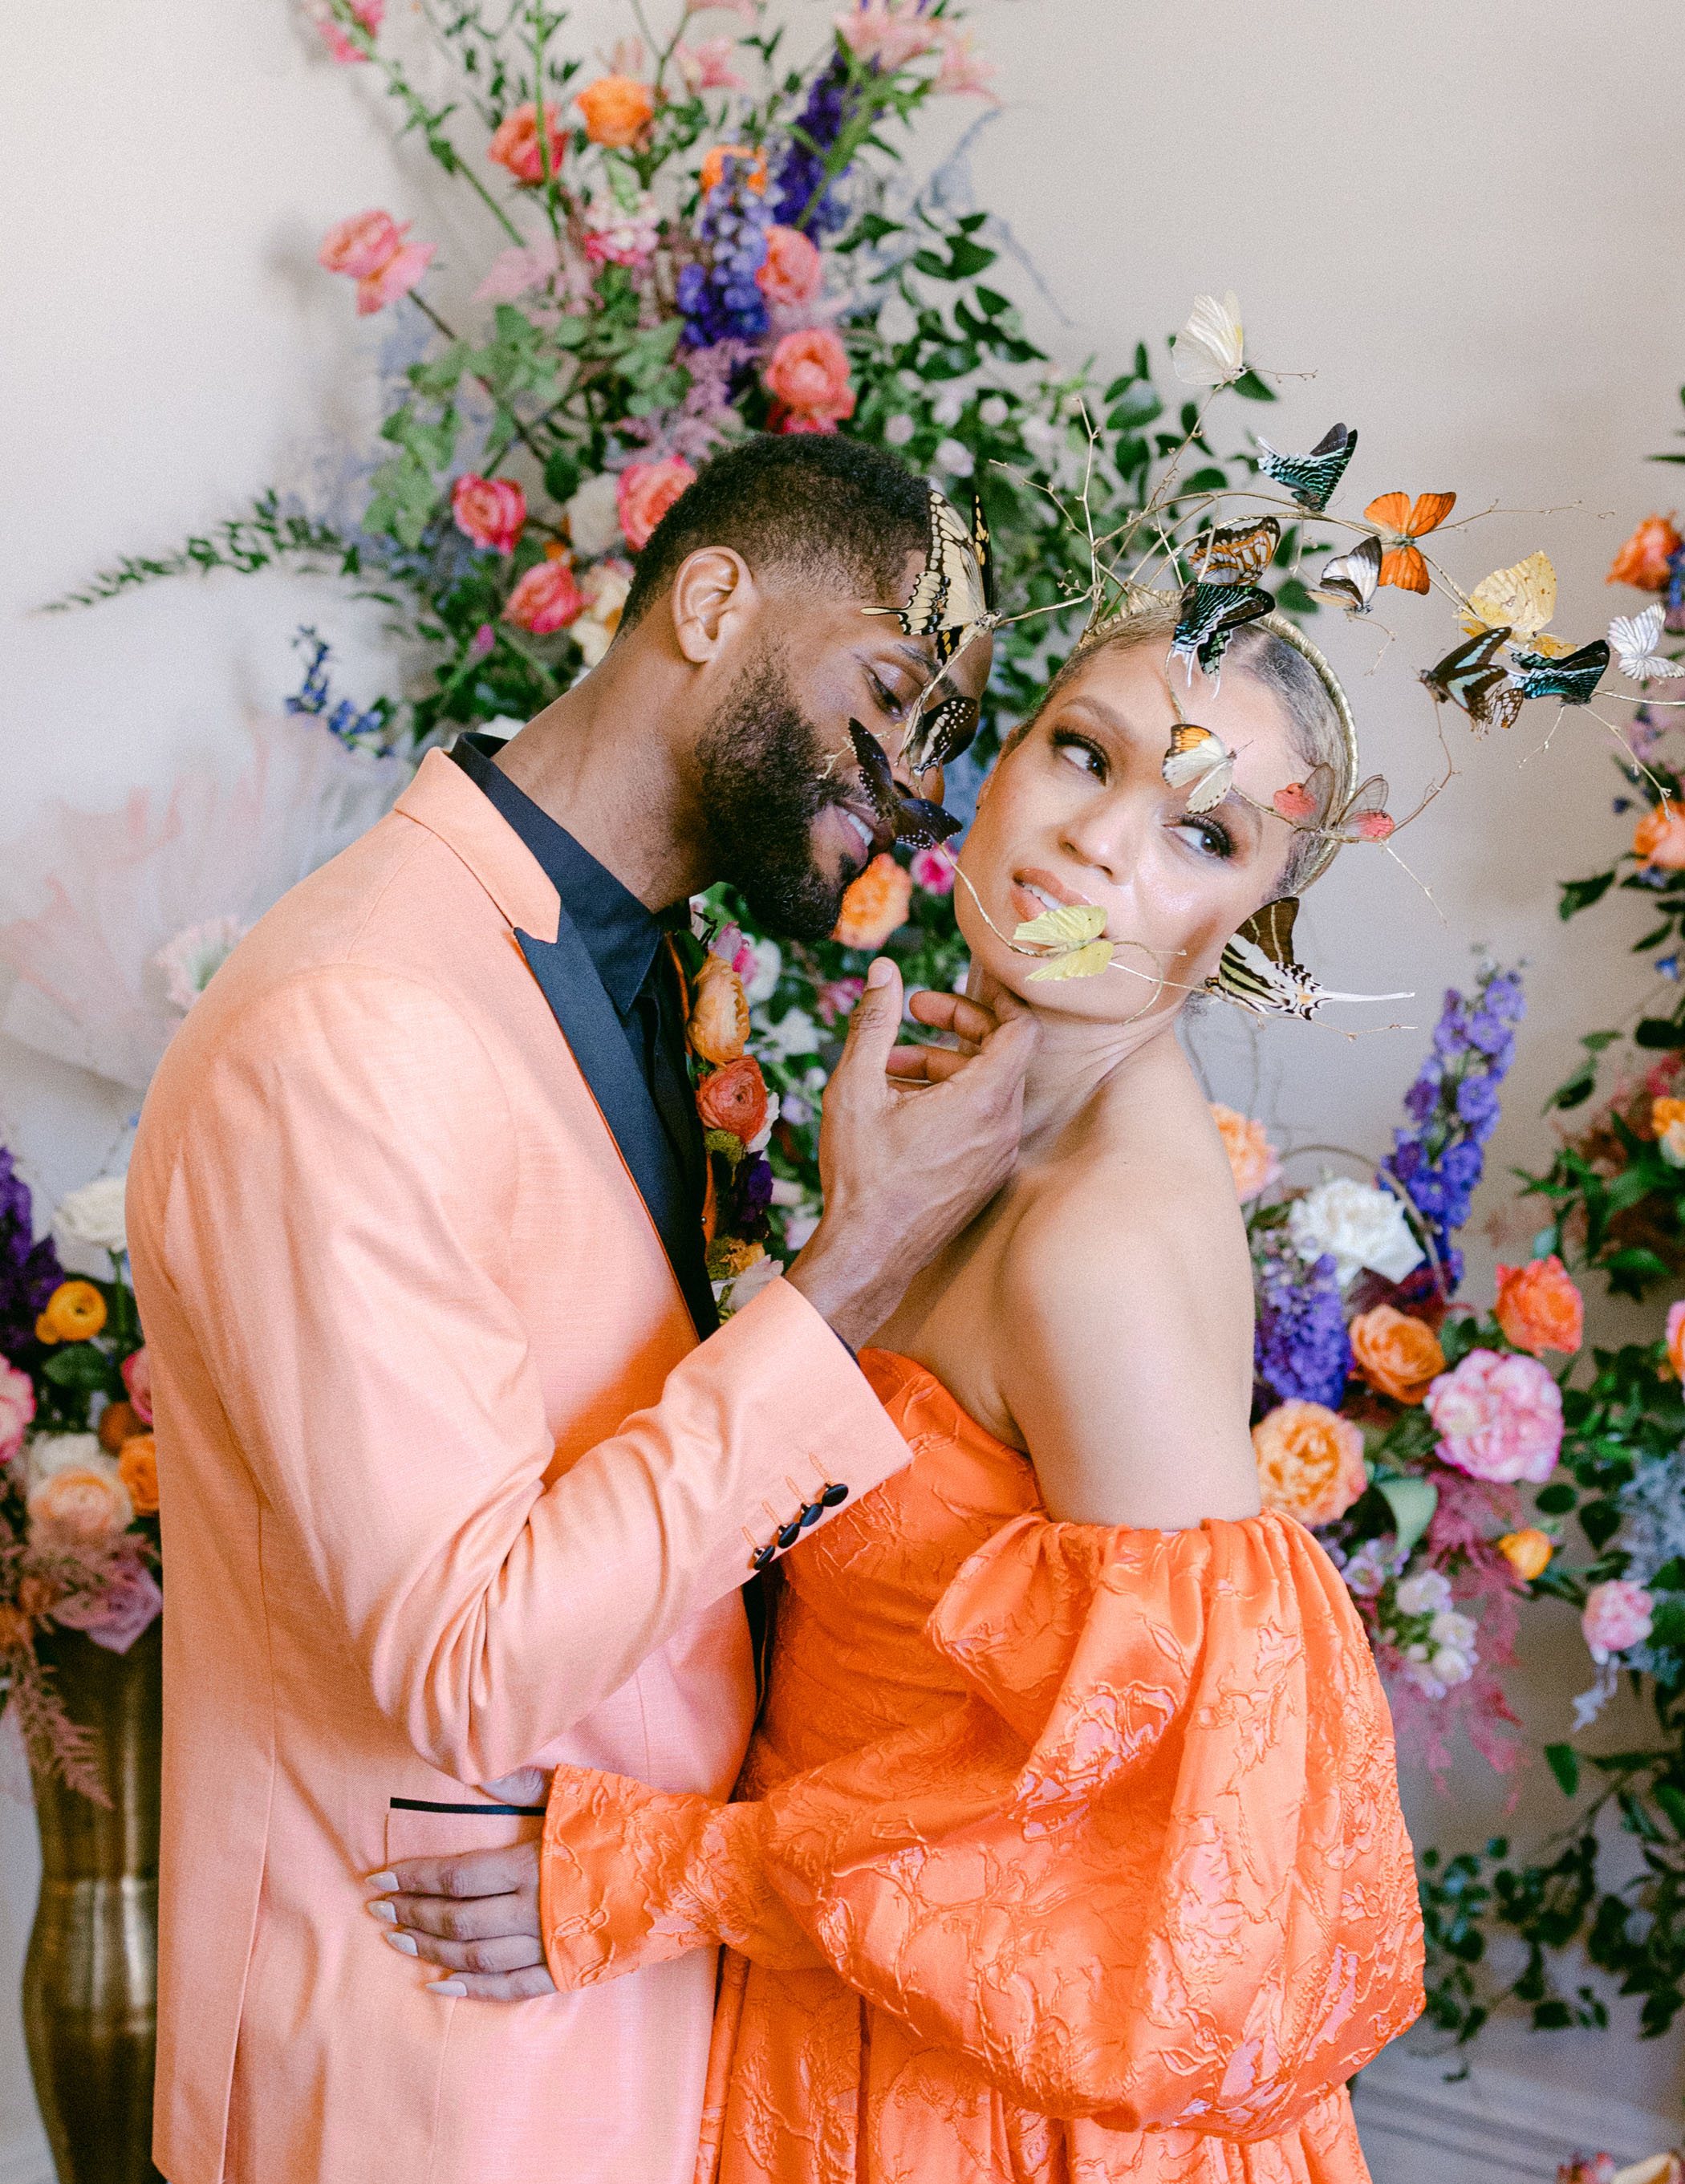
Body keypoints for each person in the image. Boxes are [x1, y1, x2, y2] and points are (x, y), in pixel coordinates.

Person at [376, 599, 1425, 2181]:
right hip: (845, 2025)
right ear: (998, 759)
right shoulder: (977, 1138)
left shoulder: (1100, 1254)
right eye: (1085, 750)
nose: (1096, 845)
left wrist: (667, 1869)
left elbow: (1171, 1827)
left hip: (985, 2102)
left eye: (1200, 831)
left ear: (1252, 932)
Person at [124, 434, 1040, 2184]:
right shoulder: (354, 1021)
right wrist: (851, 1268)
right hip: (426, 2059)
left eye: (945, 739)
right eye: (895, 692)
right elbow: (468, 1662)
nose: (914, 787)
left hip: (623, 1977)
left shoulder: (619, 956)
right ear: (711, 601)